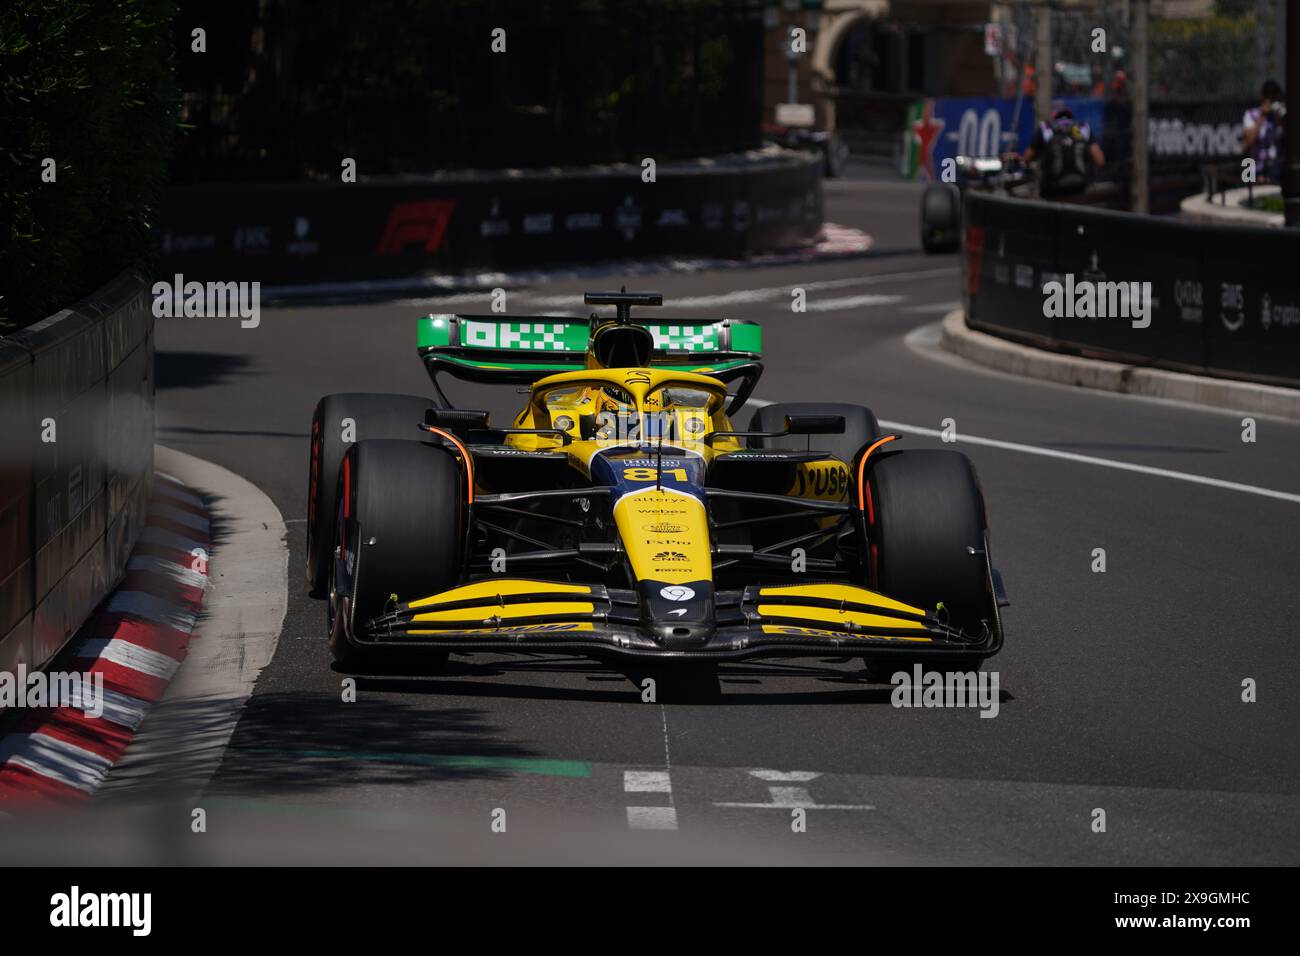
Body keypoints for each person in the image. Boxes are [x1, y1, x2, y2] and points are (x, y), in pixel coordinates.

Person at [1019, 106, 1105, 199]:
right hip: (1080, 187)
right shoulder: (1082, 128)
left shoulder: (1046, 128)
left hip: (1053, 190)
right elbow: (1100, 160)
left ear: (1054, 117)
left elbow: (1027, 158)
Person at [1242, 80, 1285, 182]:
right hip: (1255, 167)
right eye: (1267, 96)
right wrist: (1262, 115)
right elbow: (1248, 141)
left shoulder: (1282, 114)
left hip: (1278, 167)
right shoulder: (1251, 114)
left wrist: (1279, 118)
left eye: (1274, 96)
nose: (1270, 99)